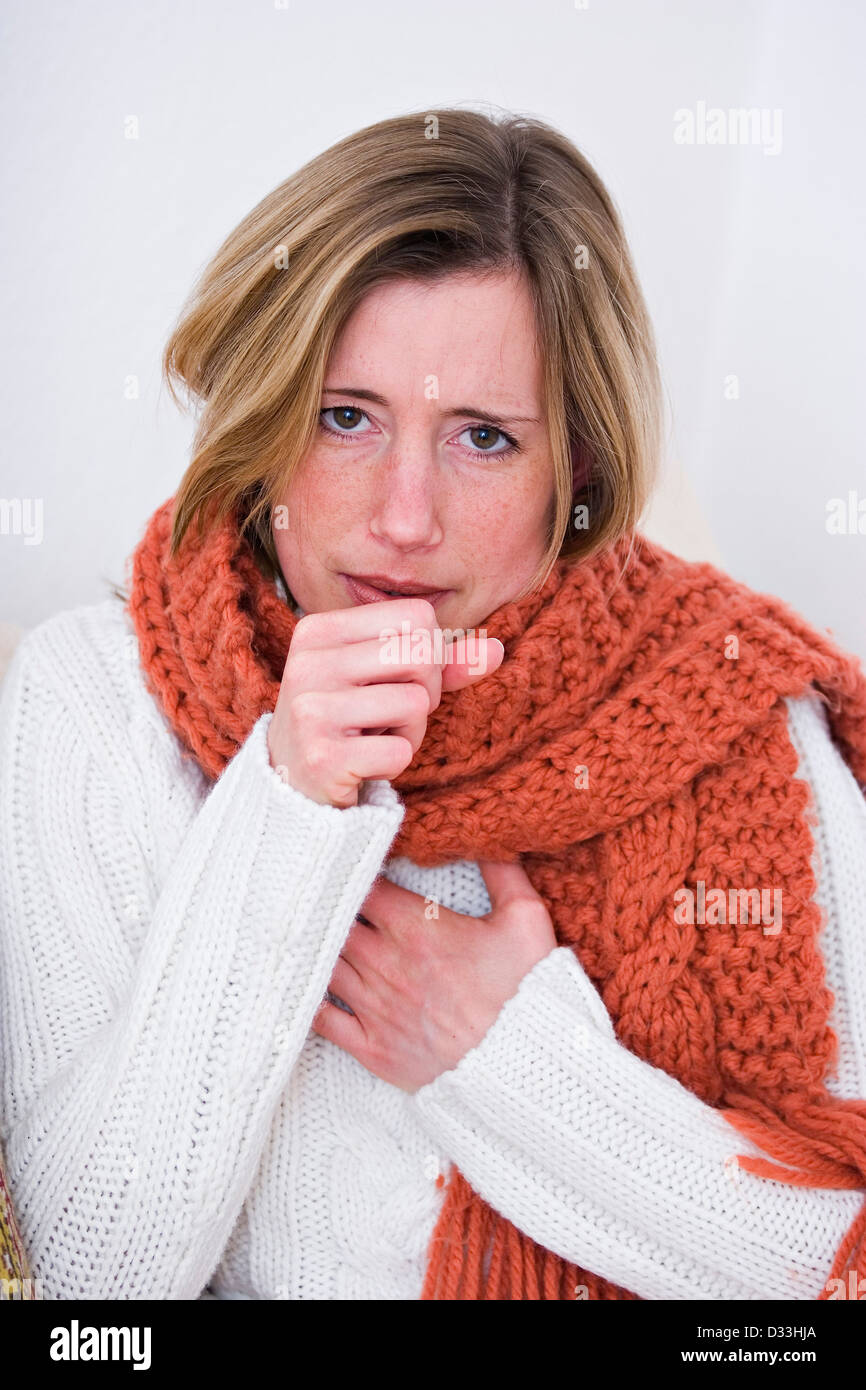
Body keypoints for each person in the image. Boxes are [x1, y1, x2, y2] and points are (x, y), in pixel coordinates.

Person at [1, 107, 865, 1302]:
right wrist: (288, 800)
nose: (404, 517)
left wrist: (505, 1059)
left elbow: (836, 1274)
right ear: (259, 416)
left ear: (580, 468)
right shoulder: (91, 696)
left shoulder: (742, 716)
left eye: (483, 438)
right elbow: (90, 1285)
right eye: (343, 416)